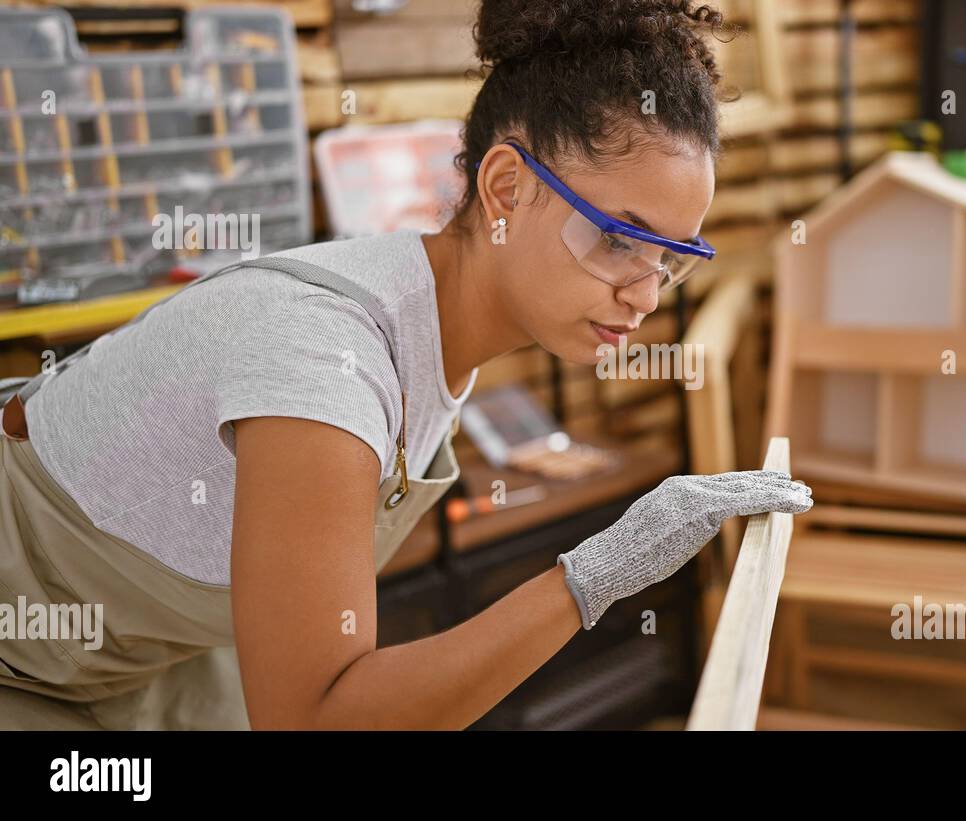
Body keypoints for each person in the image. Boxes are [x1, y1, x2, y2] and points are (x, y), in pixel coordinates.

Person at [0, 0, 812, 730]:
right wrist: (592, 576)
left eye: (671, 259)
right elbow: (316, 720)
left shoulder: (436, 328)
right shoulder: (325, 358)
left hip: (145, 649)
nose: (646, 295)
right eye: (618, 240)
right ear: (504, 188)